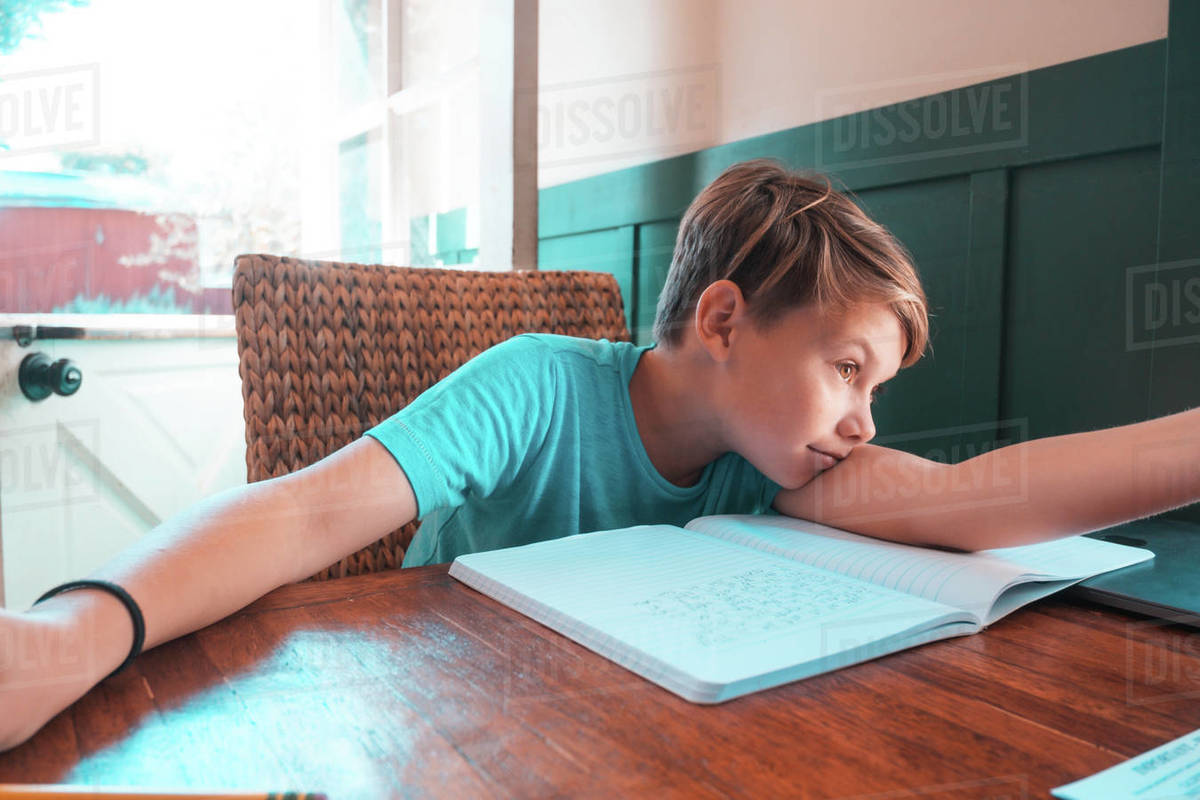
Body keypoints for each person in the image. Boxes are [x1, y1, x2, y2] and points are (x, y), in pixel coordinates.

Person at [2, 159, 1196, 752]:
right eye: (848, 368)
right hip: (464, 734)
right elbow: (308, 513)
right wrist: (78, 627)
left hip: (643, 739)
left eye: (876, 388)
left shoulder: (778, 458)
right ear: (725, 322)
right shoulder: (534, 383)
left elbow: (982, 502)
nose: (866, 421)